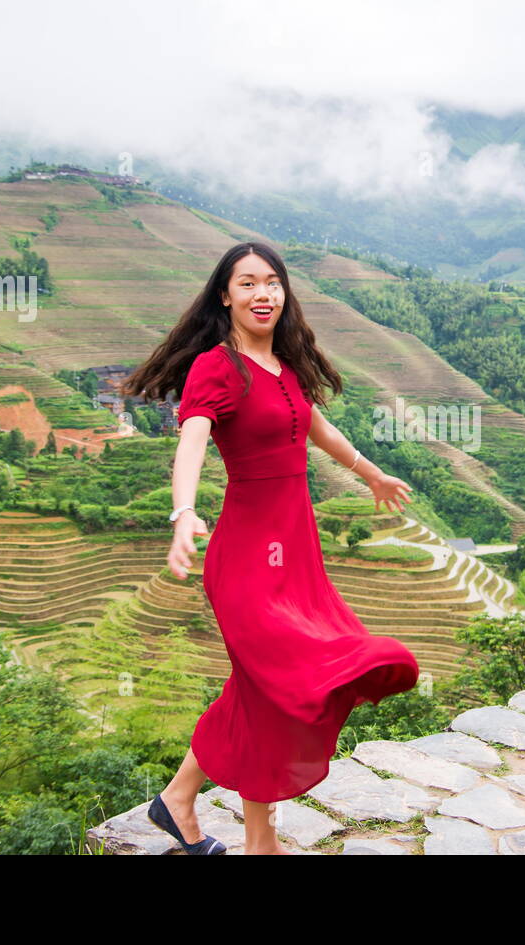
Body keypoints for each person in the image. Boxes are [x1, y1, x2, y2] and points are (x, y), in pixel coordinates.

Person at [121, 241, 421, 855]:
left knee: (259, 688)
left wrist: (370, 474)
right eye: (248, 283)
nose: (264, 293)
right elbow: (193, 441)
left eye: (273, 282)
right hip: (248, 556)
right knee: (272, 684)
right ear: (225, 295)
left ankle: (182, 803)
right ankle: (255, 839)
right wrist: (183, 512)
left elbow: (316, 428)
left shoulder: (285, 364)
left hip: (296, 550)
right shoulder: (216, 367)